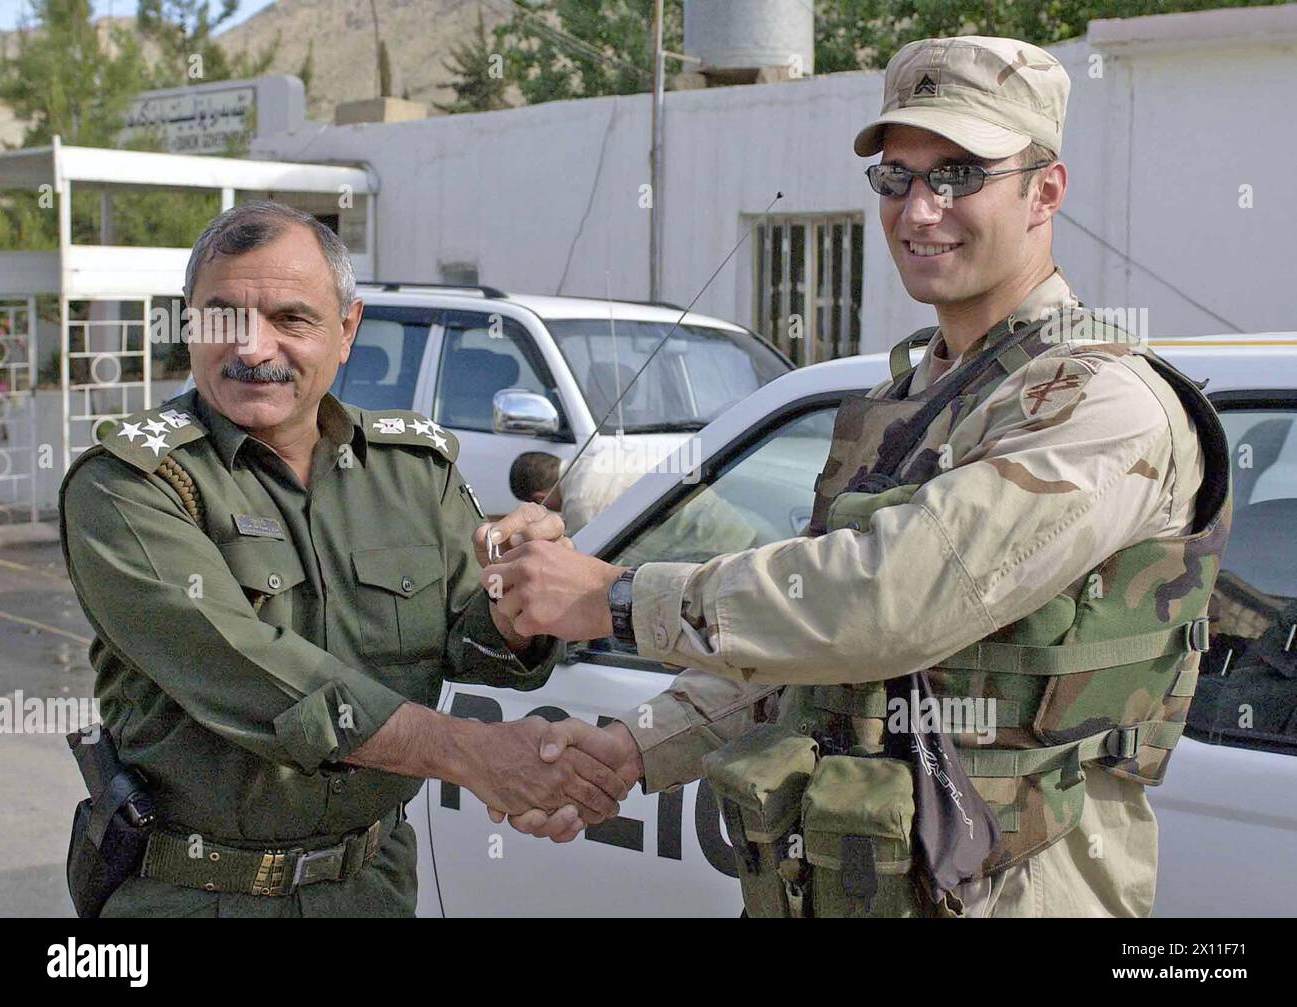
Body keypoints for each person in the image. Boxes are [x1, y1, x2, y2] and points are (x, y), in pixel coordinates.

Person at [479, 36, 1231, 918]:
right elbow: (808, 647)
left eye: (958, 175)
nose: (919, 211)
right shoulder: (906, 402)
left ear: (1045, 191)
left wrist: (614, 599)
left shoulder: (1103, 404)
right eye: (896, 177)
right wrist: (633, 748)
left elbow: (893, 599)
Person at [59, 201, 627, 917]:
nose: (253, 348)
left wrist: (520, 598)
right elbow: (255, 672)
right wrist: (475, 754)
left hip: (372, 886)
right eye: (222, 315)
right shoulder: (128, 483)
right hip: (195, 895)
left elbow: (473, 642)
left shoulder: (412, 468)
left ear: (347, 329)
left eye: (291, 319)